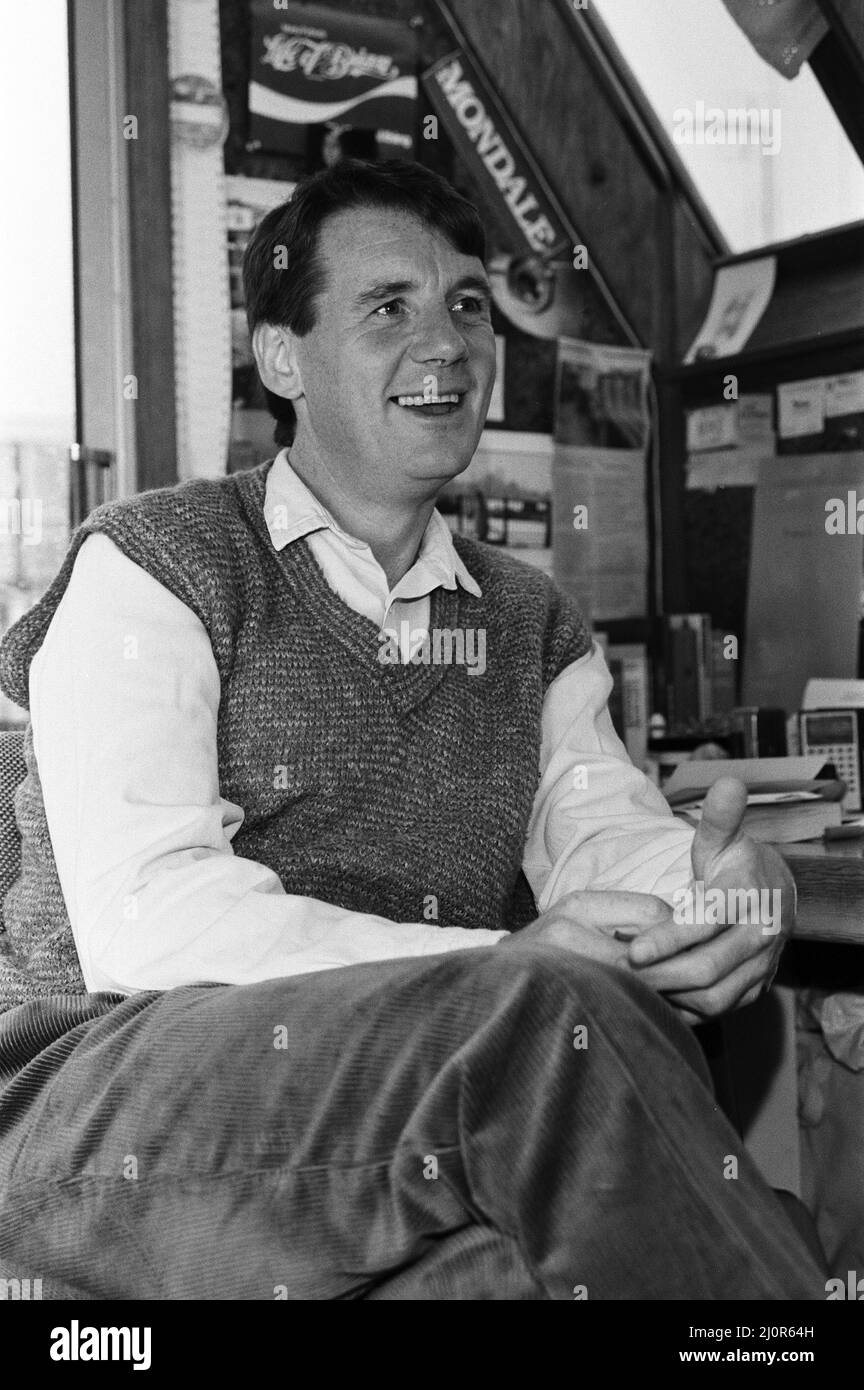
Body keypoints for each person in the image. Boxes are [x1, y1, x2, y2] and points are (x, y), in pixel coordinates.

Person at [0, 159, 822, 1300]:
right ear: (281, 357)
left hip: (392, 1110)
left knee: (519, 1272)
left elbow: (609, 848)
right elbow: (153, 923)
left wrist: (735, 891)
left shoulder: (528, 618)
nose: (446, 345)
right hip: (89, 1104)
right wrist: (500, 969)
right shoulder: (154, 562)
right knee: (554, 1024)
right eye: (389, 307)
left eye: (468, 307)